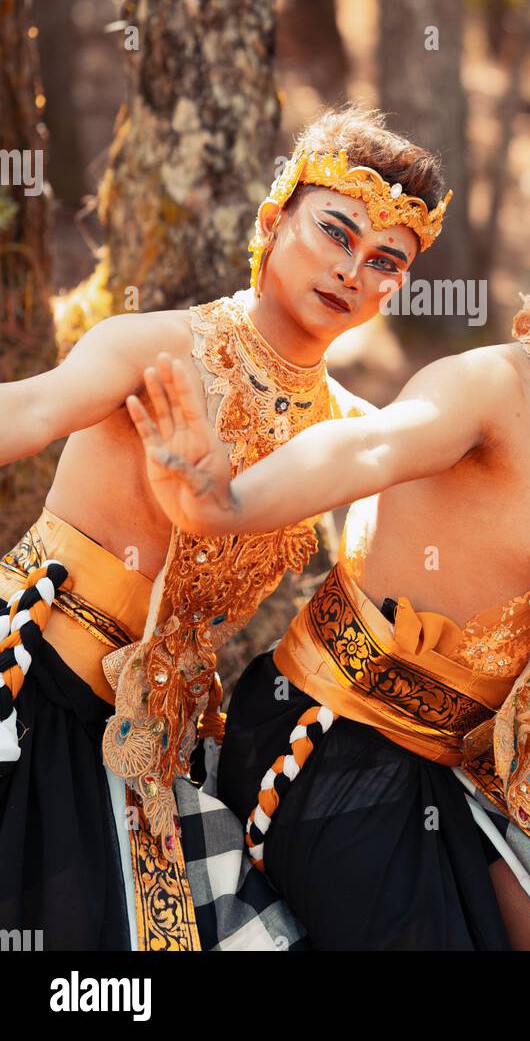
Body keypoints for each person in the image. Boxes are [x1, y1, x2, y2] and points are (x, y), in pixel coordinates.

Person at [129, 160, 530, 952]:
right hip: (332, 745)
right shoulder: (487, 385)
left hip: (463, 765)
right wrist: (227, 504)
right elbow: (372, 444)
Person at [0, 105, 451, 950]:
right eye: (335, 232)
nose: (353, 269)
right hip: (32, 679)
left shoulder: (346, 431)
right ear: (272, 221)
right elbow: (24, 410)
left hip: (151, 746)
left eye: (385, 260)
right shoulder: (154, 346)